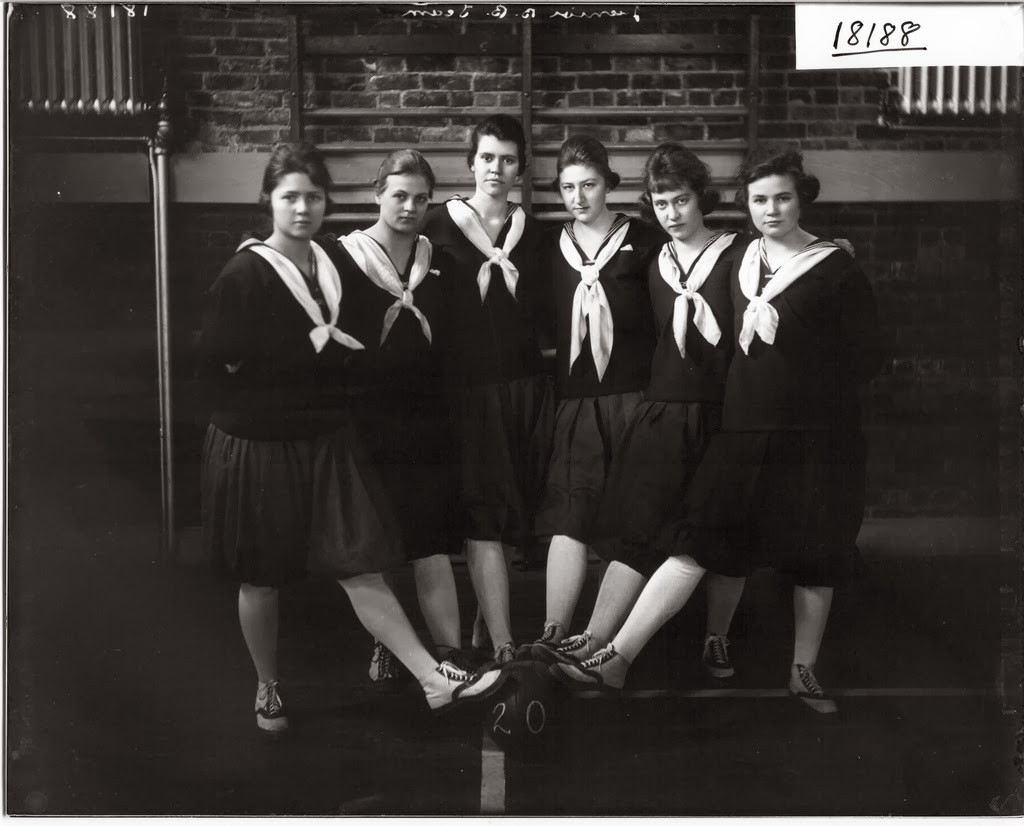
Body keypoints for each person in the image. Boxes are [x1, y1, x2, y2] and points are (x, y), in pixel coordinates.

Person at [552, 149, 881, 714]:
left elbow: (865, 356)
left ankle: (795, 668)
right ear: (745, 204)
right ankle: (612, 652)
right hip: (737, 426)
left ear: (801, 198)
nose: (771, 209)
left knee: (812, 553)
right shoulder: (730, 255)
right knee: (692, 540)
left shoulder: (814, 263)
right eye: (760, 199)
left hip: (806, 432)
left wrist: (808, 384)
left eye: (782, 197)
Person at [199, 142, 505, 733]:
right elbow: (212, 375)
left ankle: (433, 678)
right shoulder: (246, 270)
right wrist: (274, 389)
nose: (302, 208)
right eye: (290, 197)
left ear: (327, 202)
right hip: (258, 445)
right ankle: (267, 686)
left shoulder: (326, 264)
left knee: (359, 563)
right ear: (268, 201)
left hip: (320, 438)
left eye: (313, 197)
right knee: (262, 577)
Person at [530, 143, 747, 677]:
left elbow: (782, 264)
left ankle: (715, 636)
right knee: (636, 527)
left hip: (724, 413)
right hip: (663, 409)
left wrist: (830, 245)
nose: (672, 213)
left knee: (721, 535)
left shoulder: (730, 250)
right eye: (662, 203)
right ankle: (594, 639)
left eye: (681, 200)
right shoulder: (652, 256)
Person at [335, 149, 473, 687]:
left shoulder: (442, 264)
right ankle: (390, 644)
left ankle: (451, 658)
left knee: (429, 544)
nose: (410, 207)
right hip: (365, 423)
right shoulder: (342, 258)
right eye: (399, 195)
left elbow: (455, 349)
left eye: (420, 198)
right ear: (377, 195)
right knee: (378, 545)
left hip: (427, 423)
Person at [523, 135, 664, 655]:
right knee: (570, 513)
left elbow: (706, 257)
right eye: (568, 188)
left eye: (589, 185)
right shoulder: (547, 247)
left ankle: (600, 637)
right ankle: (553, 631)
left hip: (635, 398)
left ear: (608, 184)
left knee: (629, 518)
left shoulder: (646, 239)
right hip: (576, 401)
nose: (578, 197)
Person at [422, 115, 555, 667]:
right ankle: (503, 643)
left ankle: (488, 614)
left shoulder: (538, 234)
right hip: (467, 392)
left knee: (514, 513)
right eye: (486, 158)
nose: (495, 169)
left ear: (521, 167)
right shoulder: (437, 224)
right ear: (470, 163)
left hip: (526, 391)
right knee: (482, 512)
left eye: (507, 159)